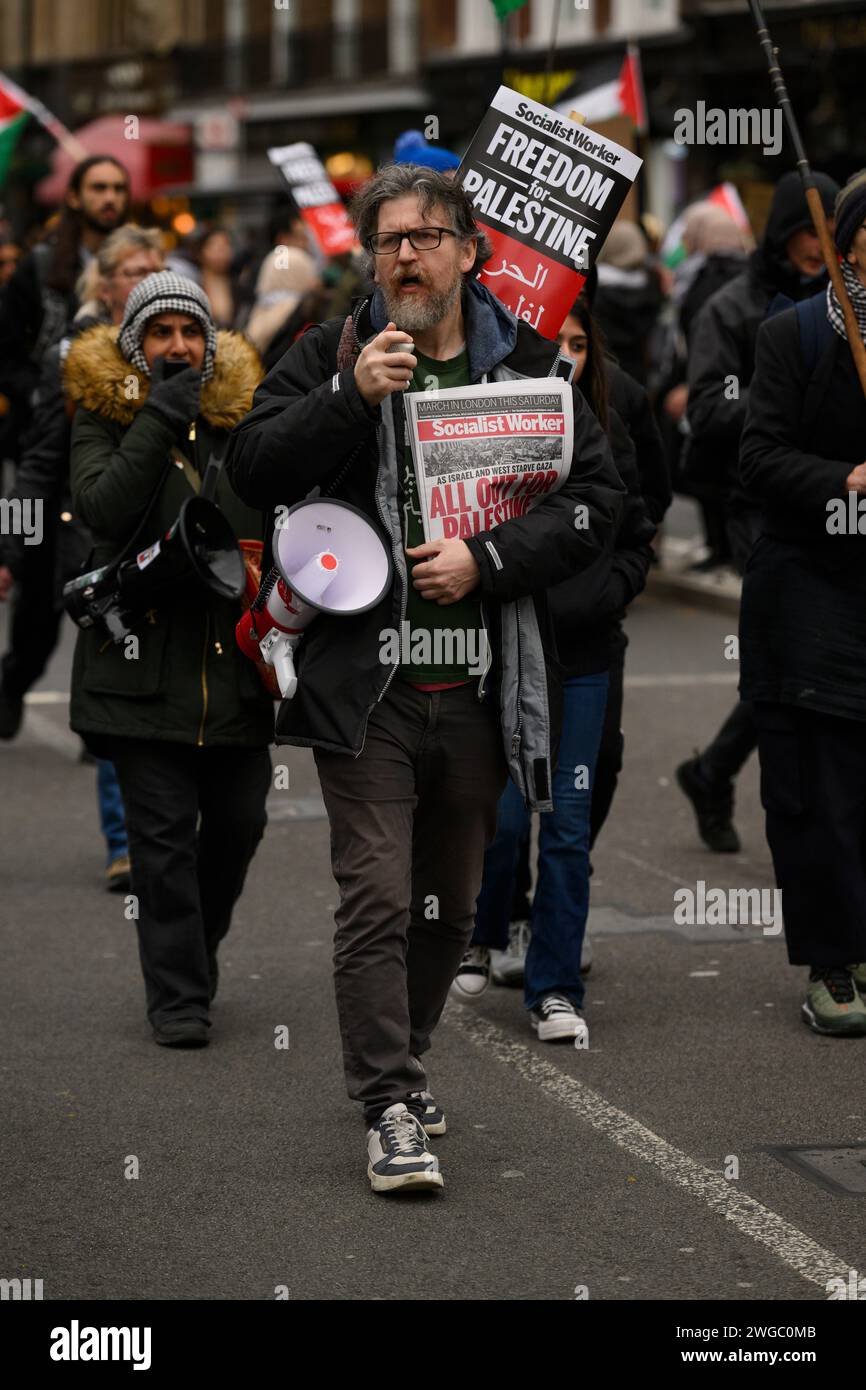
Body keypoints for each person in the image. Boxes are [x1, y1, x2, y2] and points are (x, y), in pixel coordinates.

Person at [225, 163, 624, 1192]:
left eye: (427, 236)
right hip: (369, 689)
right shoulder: (334, 350)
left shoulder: (528, 363)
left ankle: (407, 1057)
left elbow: (595, 499)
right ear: (369, 258)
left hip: (485, 689)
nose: (407, 255)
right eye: (388, 239)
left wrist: (485, 562)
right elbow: (250, 467)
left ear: (469, 249)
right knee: (373, 898)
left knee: (447, 904)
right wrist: (343, 402)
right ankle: (388, 1103)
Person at [65, 271, 274, 1045]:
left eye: (191, 332)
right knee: (159, 850)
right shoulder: (105, 415)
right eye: (160, 334)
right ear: (136, 345)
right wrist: (157, 415)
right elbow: (103, 507)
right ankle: (179, 998)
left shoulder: (244, 417)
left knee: (238, 826)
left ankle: (195, 951)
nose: (178, 346)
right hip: (139, 673)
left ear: (210, 342)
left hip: (234, 675)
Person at [454, 296, 657, 1027]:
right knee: (506, 820)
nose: (564, 357)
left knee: (567, 826)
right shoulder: (493, 416)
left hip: (584, 656)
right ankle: (484, 930)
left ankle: (556, 988)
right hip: (509, 650)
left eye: (578, 343)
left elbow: (637, 524)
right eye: (553, 344)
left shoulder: (605, 421)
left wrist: (609, 589)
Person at [675, 170, 839, 853]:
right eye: (804, 230)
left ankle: (714, 770)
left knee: (806, 659)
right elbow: (707, 408)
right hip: (759, 503)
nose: (814, 245)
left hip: (836, 498)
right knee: (797, 650)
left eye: (827, 231)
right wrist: (783, 397)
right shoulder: (735, 306)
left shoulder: (847, 304)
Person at [739, 168, 866, 1036]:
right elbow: (758, 461)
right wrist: (846, 481)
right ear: (843, 249)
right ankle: (833, 961)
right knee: (821, 792)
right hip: (811, 594)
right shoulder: (794, 337)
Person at [0, 226, 165, 892]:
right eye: (132, 270)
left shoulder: (191, 344)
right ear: (104, 285)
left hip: (174, 545)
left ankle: (170, 827)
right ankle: (125, 842)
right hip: (95, 546)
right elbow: (39, 460)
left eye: (156, 267)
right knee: (117, 689)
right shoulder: (77, 358)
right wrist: (10, 546)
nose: (146, 279)